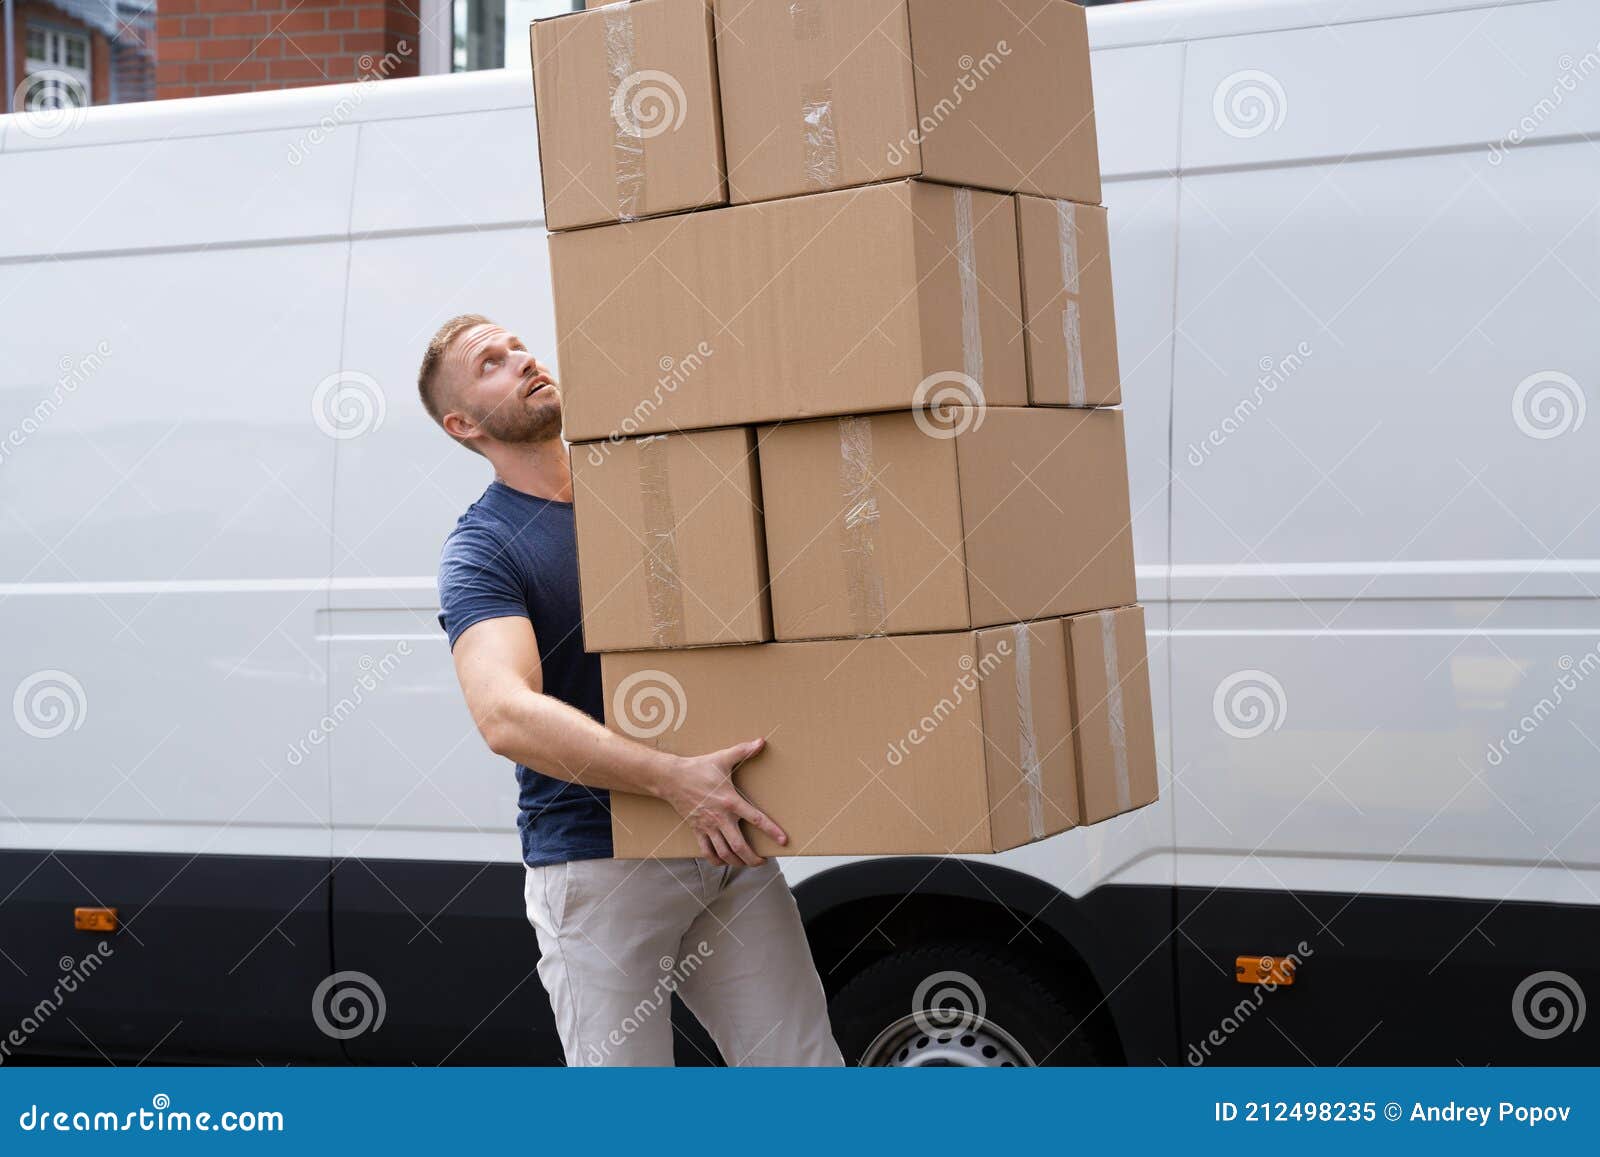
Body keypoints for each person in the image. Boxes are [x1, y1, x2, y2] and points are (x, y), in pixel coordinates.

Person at [419, 314, 843, 1067]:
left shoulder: (645, 497)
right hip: (599, 866)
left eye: (519, 346)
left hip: (723, 843)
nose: (522, 360)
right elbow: (503, 713)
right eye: (491, 362)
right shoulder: (483, 548)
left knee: (805, 1073)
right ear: (462, 423)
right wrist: (674, 780)